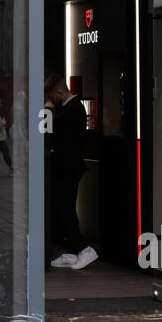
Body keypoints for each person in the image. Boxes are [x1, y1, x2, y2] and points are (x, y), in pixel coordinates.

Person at [45, 74, 97, 270]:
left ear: (59, 92)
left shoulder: (74, 108)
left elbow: (53, 129)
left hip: (69, 166)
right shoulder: (68, 108)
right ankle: (73, 250)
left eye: (52, 96)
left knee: (65, 208)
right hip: (67, 166)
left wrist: (48, 109)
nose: (51, 100)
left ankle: (84, 250)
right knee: (62, 209)